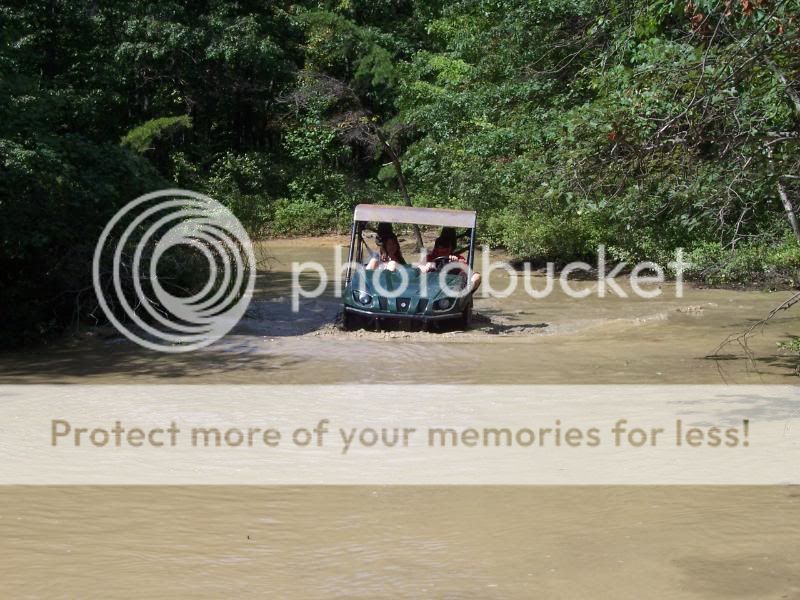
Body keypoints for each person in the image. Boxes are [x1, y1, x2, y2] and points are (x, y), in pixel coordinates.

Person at [419, 227, 481, 293]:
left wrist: (457, 264)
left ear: (451, 248)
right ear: (436, 247)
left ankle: (464, 295)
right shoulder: (429, 258)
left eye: (446, 247)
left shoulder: (458, 258)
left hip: (453, 288)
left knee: (477, 276)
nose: (443, 249)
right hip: (431, 286)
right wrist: (425, 267)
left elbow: (466, 273)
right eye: (441, 246)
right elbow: (417, 270)